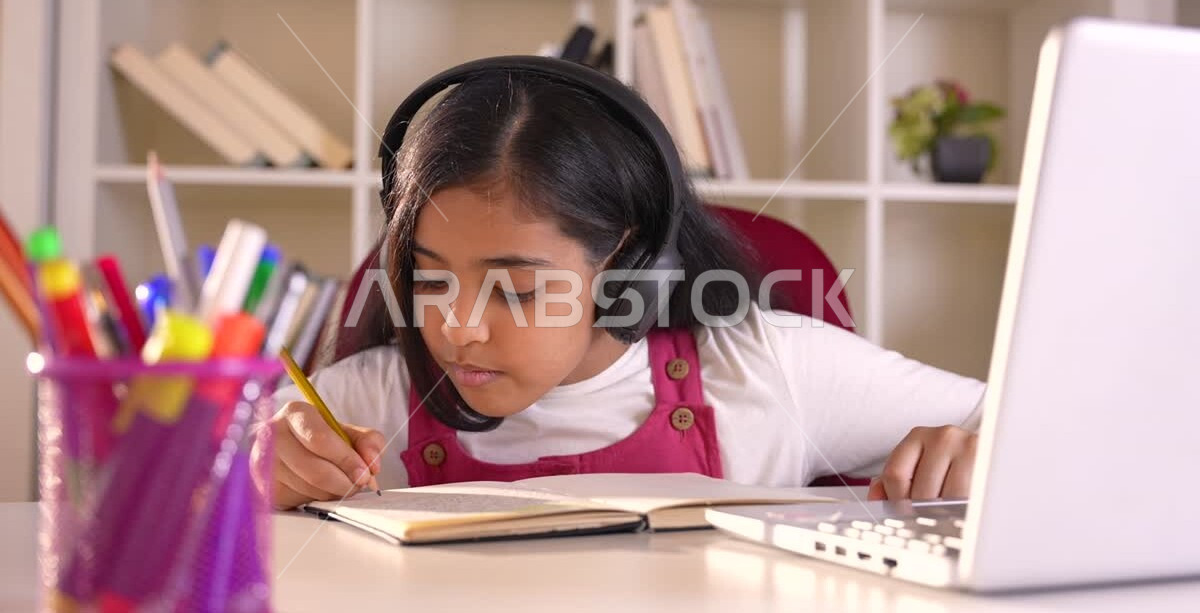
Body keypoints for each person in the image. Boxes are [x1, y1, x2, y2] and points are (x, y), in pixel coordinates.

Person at [257, 64, 984, 511]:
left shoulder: (765, 367)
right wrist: (256, 470)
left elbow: (1054, 435)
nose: (457, 329)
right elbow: (168, 494)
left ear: (626, 262)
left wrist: (981, 453)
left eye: (514, 291)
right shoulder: (373, 401)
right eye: (431, 275)